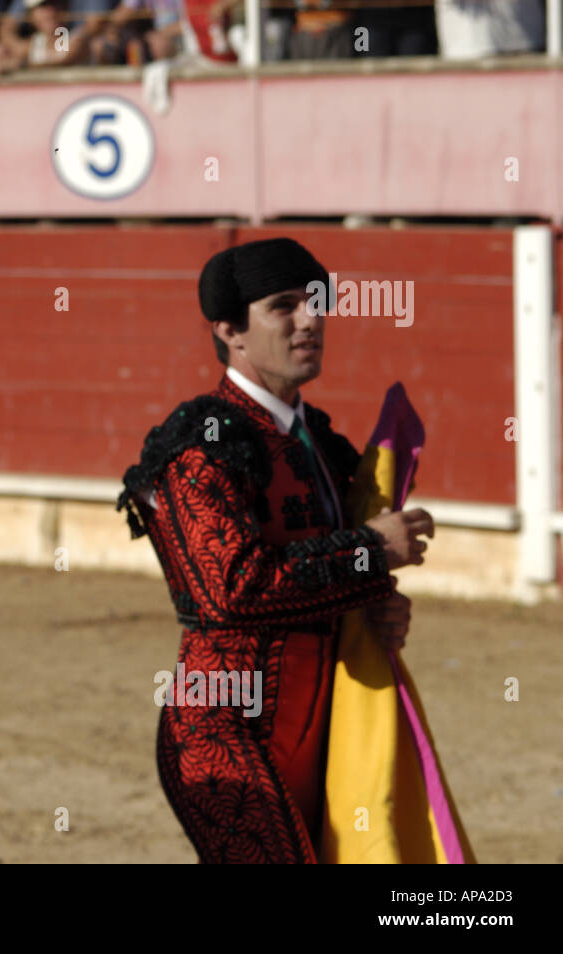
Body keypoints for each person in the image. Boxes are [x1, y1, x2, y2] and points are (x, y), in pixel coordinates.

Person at [116, 238, 433, 863]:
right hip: (223, 730)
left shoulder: (318, 441)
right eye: (285, 306)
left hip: (320, 723)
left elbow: (326, 575)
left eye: (316, 302)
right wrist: (372, 554)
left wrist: (376, 608)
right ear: (230, 329)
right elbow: (232, 590)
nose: (310, 319)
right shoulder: (201, 442)